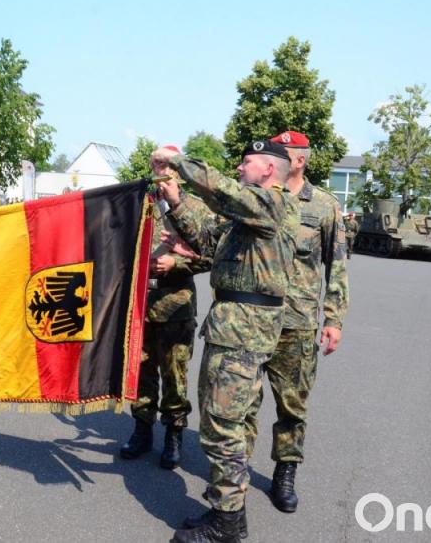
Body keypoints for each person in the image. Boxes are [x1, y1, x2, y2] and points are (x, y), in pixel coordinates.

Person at [153, 140, 299, 542]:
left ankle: (226, 525)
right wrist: (176, 200)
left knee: (222, 424)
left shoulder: (272, 203)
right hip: (233, 325)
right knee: (224, 420)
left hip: (243, 329)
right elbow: (207, 240)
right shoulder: (249, 216)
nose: (239, 167)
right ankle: (228, 511)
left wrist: (179, 163)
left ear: (269, 170)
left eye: (247, 161)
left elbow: (223, 191)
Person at [242, 131, 348, 514]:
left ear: (299, 160)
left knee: (292, 405)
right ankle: (234, 477)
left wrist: (334, 318)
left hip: (297, 322)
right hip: (253, 320)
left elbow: (337, 266)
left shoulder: (323, 206)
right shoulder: (258, 198)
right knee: (245, 403)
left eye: (283, 152)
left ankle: (285, 472)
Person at [119, 145, 212, 469]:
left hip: (176, 304)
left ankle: (173, 435)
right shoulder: (136, 203)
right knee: (141, 372)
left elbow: (211, 256)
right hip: (141, 303)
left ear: (179, 168)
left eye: (168, 163)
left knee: (175, 375)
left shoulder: (195, 208)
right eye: (156, 162)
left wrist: (176, 263)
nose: (161, 168)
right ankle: (141, 429)